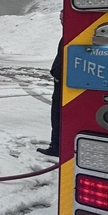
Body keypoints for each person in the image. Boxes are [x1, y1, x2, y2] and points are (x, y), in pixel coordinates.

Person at [38, 12, 63, 157]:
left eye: (63, 18)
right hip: (63, 85)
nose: (61, 21)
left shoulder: (70, 36)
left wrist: (57, 75)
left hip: (62, 88)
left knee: (58, 115)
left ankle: (56, 146)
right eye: (60, 19)